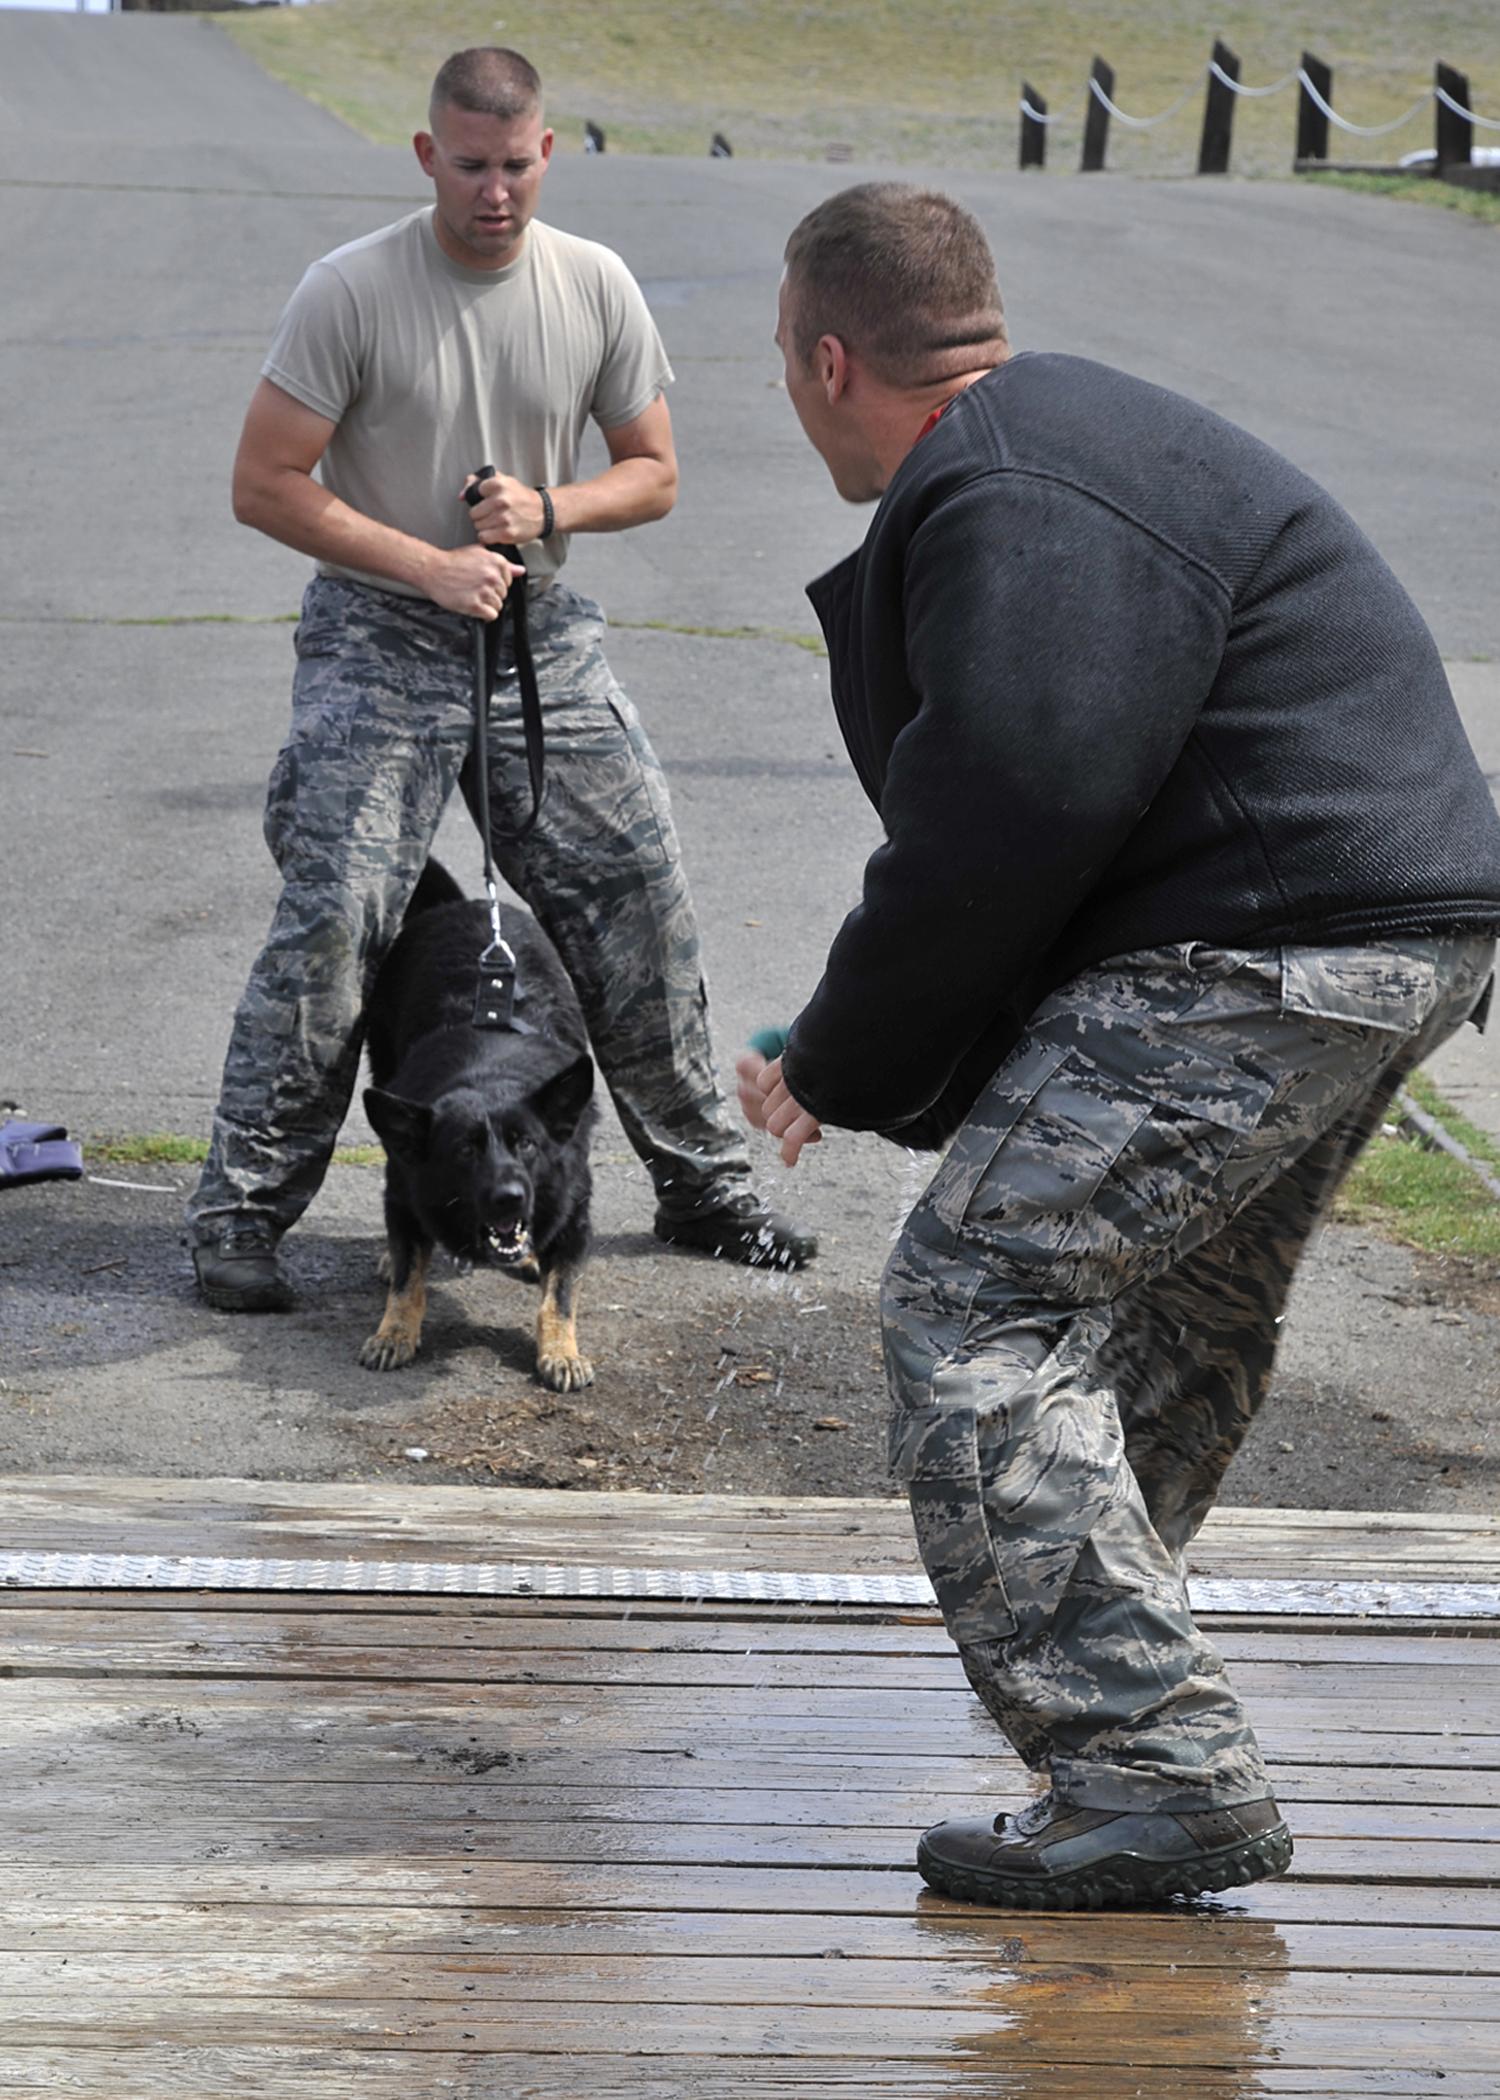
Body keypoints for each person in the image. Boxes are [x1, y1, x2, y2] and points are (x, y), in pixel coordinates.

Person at [740, 182, 1500, 1910]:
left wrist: (846, 1055)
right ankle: (1109, 1709)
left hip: (1280, 933)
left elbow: (1013, 803)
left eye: (782, 364)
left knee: (974, 1299)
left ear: (829, 359)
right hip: (1378, 924)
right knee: (1173, 1311)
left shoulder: (1003, 481)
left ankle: (1150, 1757)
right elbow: (1061, 828)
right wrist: (862, 1050)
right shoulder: (1056, 447)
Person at [186, 45, 815, 1310]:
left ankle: (703, 1190)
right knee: (337, 918)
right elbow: (264, 484)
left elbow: (655, 472)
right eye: (470, 166)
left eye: (517, 166)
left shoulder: (595, 284)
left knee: (640, 893)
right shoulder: (350, 290)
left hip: (536, 630)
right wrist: (426, 563)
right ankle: (240, 1215)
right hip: (378, 626)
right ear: (429, 155)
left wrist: (550, 505)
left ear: (548, 154)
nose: (495, 192)